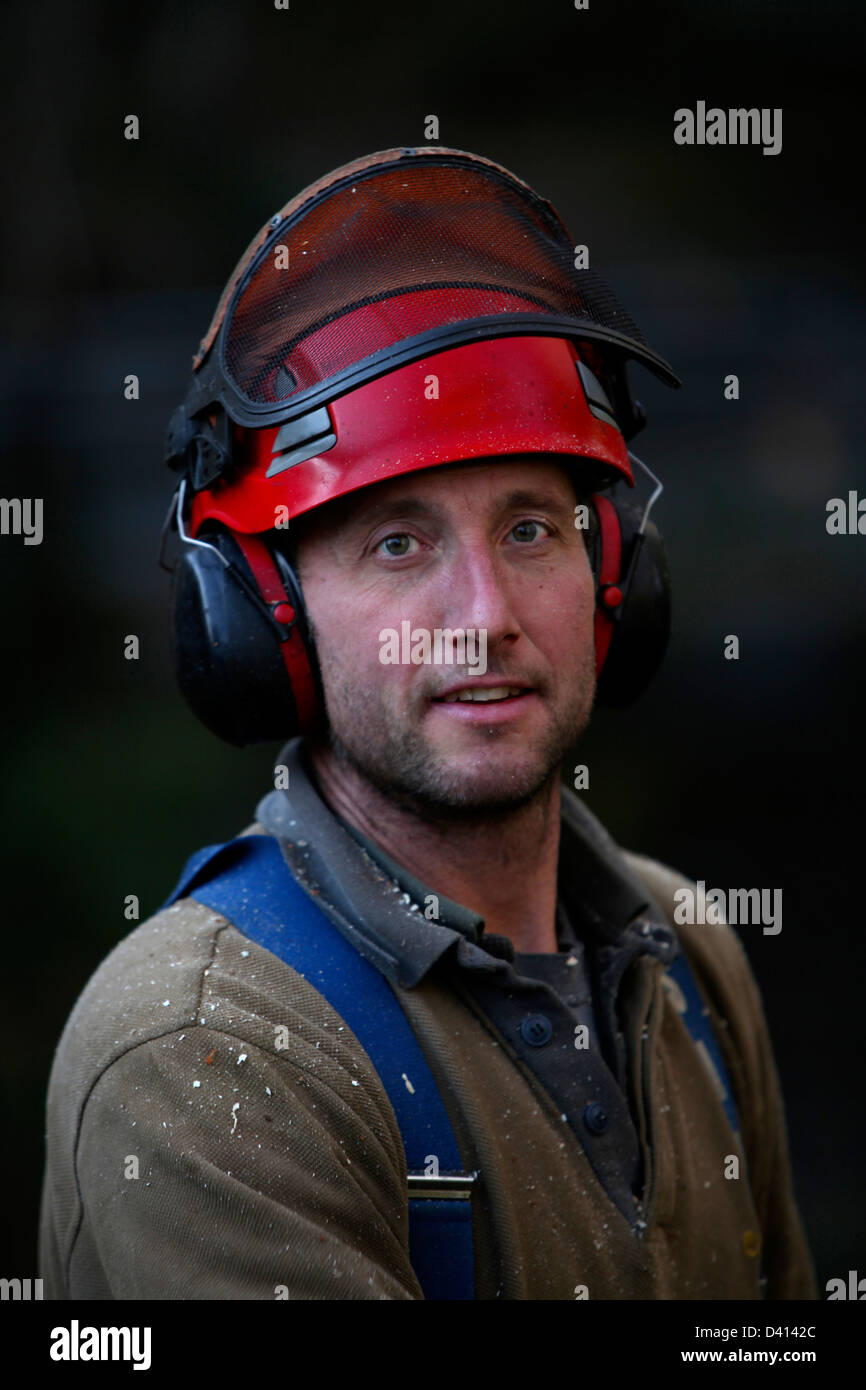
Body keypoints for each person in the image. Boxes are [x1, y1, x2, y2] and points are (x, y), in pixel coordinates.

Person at [38, 145, 816, 1300]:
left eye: (529, 530)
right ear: (264, 615)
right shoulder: (202, 1049)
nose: (485, 618)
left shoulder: (687, 955)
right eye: (397, 543)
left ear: (613, 573)